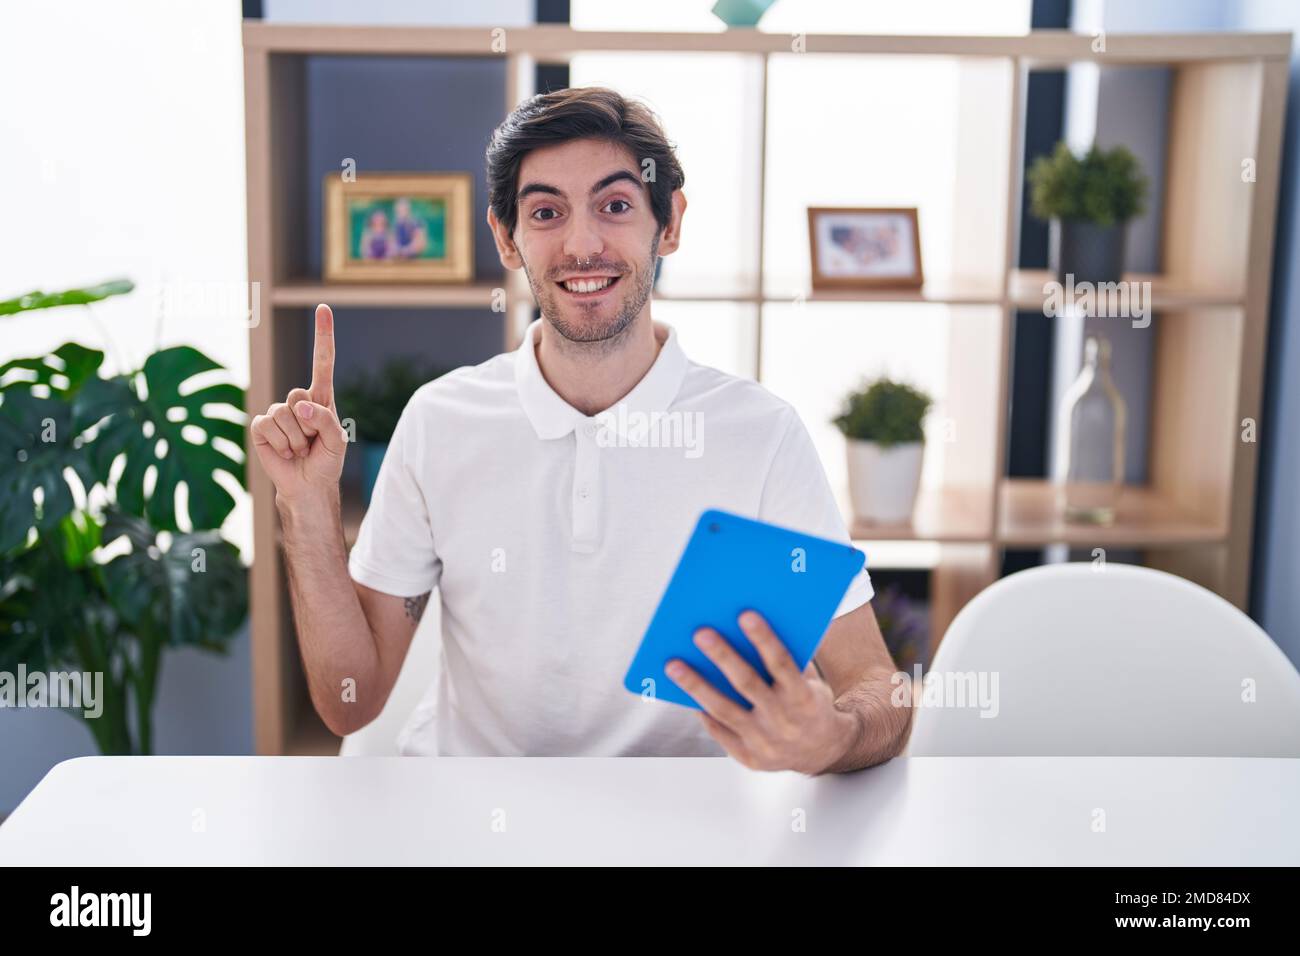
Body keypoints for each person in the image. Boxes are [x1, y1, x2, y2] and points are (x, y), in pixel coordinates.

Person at [250, 87, 912, 773]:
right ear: (507, 237)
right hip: (474, 820)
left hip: (681, 828)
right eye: (545, 212)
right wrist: (306, 508)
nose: (582, 244)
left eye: (616, 205)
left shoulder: (760, 435)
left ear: (670, 222)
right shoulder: (440, 421)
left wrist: (833, 738)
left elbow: (880, 687)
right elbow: (349, 705)